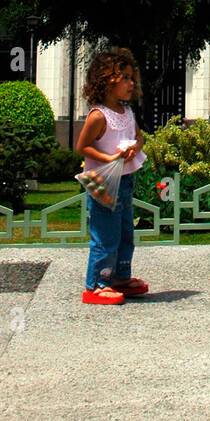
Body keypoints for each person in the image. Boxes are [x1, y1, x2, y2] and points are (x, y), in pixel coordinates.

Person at [76, 46, 149, 305]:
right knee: (105, 234)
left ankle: (120, 276)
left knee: (124, 231)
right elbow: (82, 146)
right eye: (125, 77)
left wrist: (135, 147)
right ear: (107, 81)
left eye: (132, 77)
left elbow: (138, 136)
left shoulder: (126, 112)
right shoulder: (99, 115)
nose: (131, 83)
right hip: (105, 182)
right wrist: (109, 158)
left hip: (125, 179)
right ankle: (97, 283)